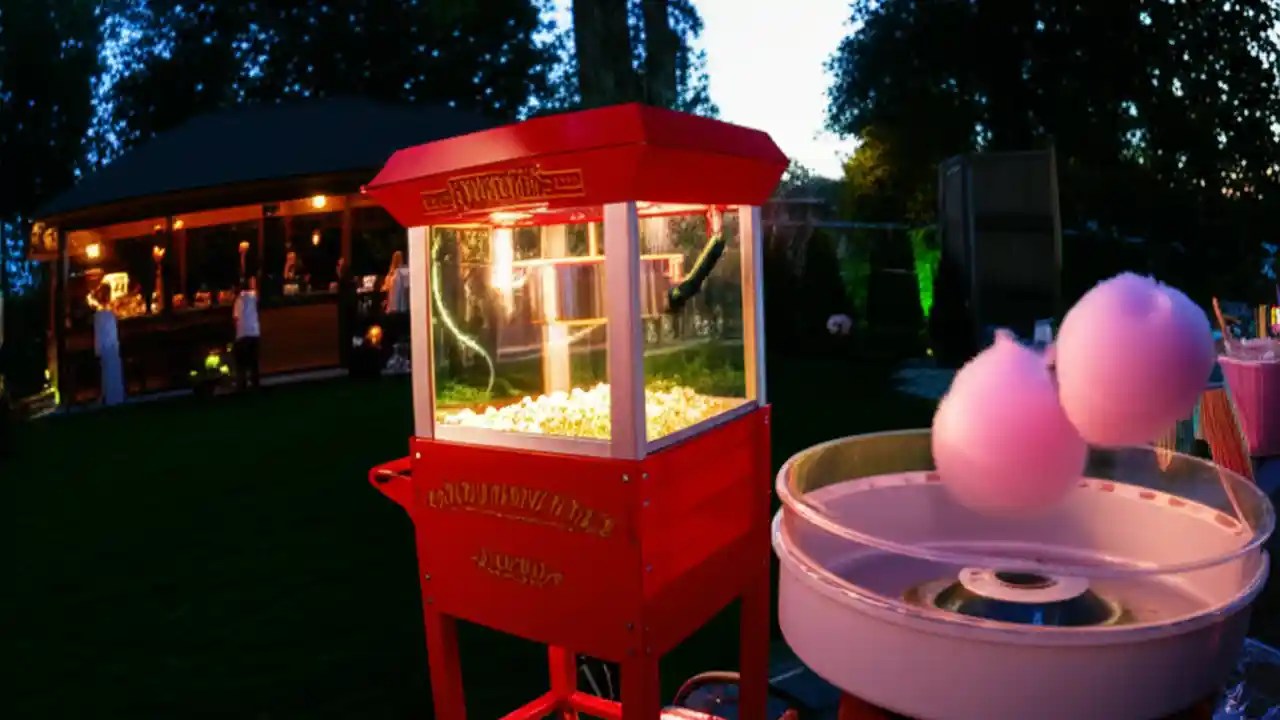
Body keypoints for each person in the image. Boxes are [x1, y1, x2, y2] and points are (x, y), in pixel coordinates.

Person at [93, 283, 125, 406]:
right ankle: (113, 396)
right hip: (110, 346)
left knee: (108, 371)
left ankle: (111, 396)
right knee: (110, 371)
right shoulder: (106, 314)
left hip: (108, 346)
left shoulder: (101, 314)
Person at [233, 276, 261, 391]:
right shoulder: (252, 296)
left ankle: (242, 385)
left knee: (242, 363)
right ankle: (255, 384)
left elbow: (236, 318)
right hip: (254, 332)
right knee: (254, 362)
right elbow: (256, 292)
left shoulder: (238, 300)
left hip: (242, 334)